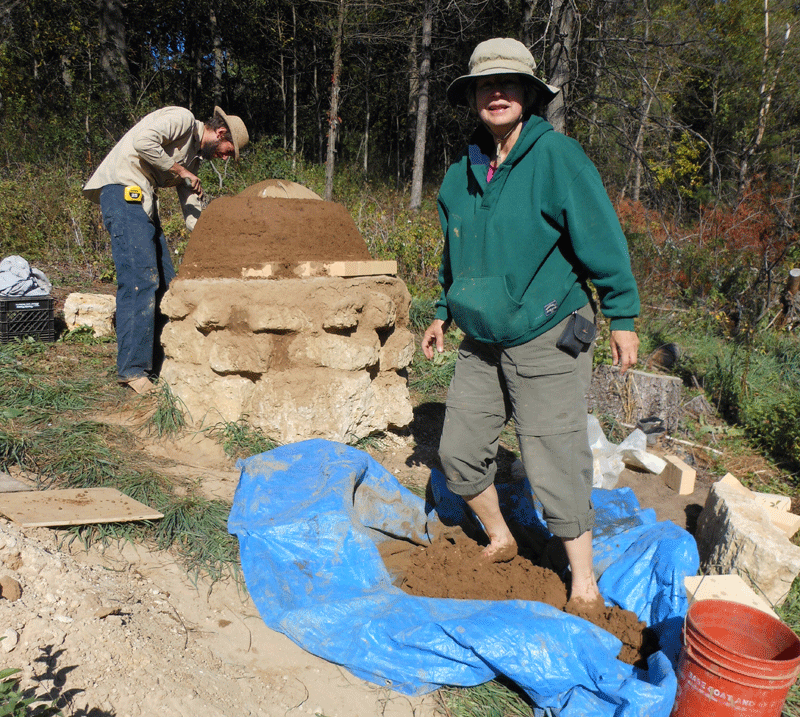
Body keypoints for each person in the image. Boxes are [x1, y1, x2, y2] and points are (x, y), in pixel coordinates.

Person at [421, 38, 640, 610]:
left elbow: (601, 238)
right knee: (459, 453)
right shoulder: (457, 177)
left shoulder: (557, 158)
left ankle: (584, 581)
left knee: (554, 457)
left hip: (548, 333)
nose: (496, 93)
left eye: (508, 84)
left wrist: (622, 313)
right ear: (473, 97)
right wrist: (442, 312)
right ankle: (501, 535)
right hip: (481, 340)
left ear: (528, 94)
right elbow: (455, 255)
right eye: (485, 85)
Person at [83, 106, 249, 394]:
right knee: (140, 279)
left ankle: (158, 364)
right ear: (220, 133)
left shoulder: (194, 159)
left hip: (142, 200)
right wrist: (180, 170)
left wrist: (214, 236)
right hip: (122, 191)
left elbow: (190, 211)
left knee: (165, 281)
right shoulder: (181, 120)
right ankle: (133, 371)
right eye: (226, 150)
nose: (223, 157)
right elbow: (142, 142)